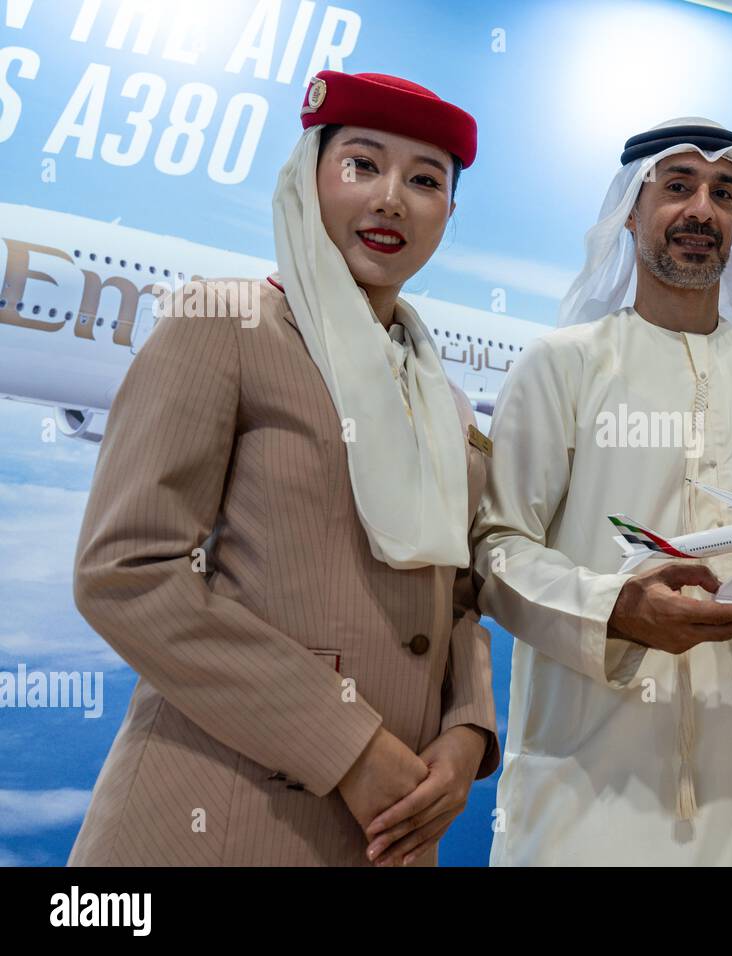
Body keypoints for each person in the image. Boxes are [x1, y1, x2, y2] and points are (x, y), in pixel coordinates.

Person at [69, 70, 497, 867]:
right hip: (217, 816)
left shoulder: (441, 396)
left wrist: (467, 733)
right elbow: (127, 572)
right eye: (361, 164)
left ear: (448, 212)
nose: (392, 198)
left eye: (425, 180)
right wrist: (348, 746)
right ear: (310, 175)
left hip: (389, 830)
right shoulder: (223, 324)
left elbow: (457, 594)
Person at [473, 118, 732, 866]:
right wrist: (617, 609)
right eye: (678, 187)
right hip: (585, 799)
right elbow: (497, 551)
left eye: (723, 193)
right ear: (631, 209)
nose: (702, 209)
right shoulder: (561, 366)